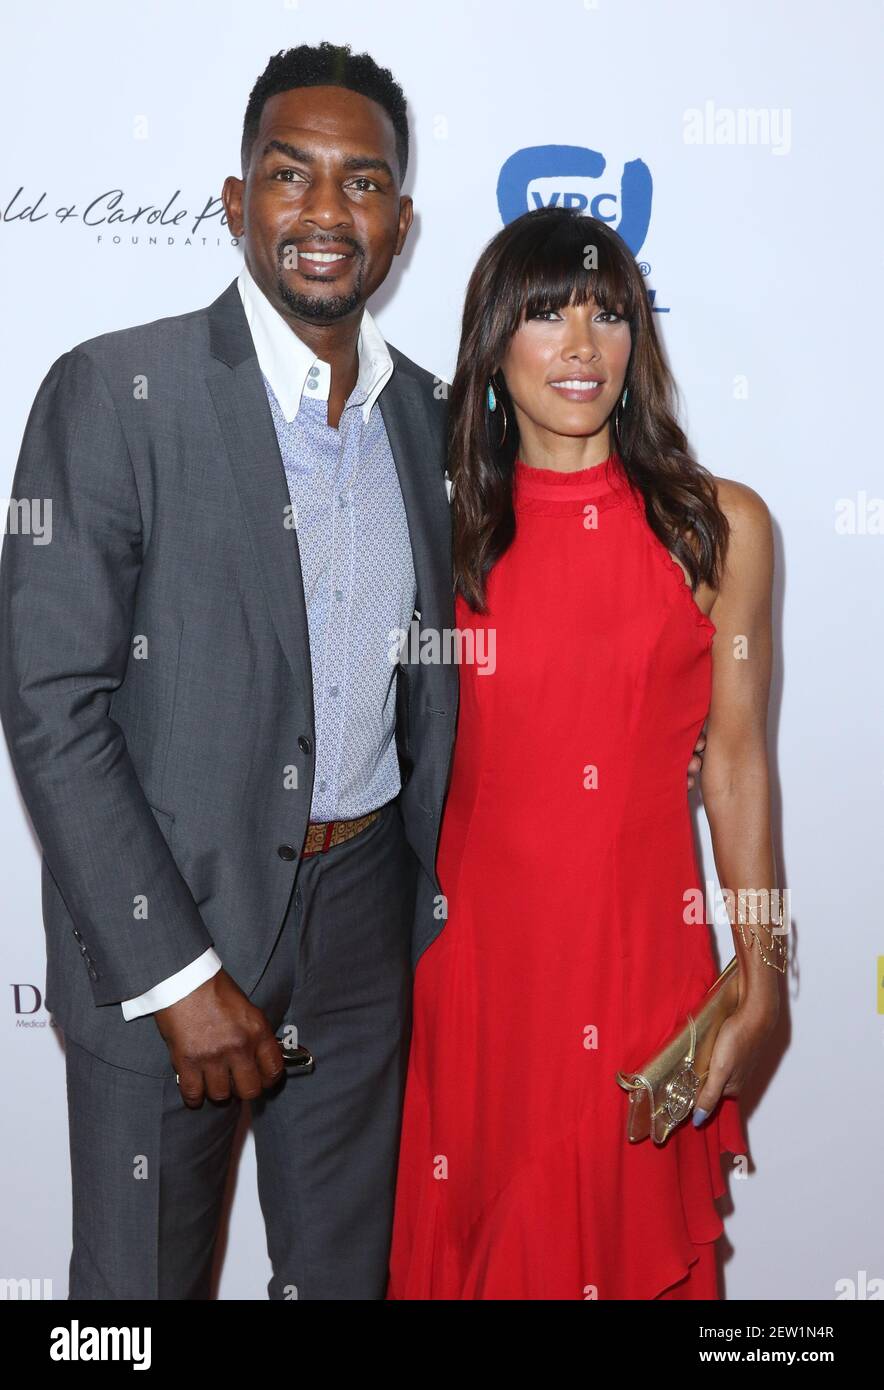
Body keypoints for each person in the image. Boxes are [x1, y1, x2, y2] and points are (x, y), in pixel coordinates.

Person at [0, 46, 706, 1300]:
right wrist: (176, 975)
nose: (326, 212)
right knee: (130, 1300)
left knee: (347, 1283)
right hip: (173, 934)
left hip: (371, 938)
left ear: (401, 223)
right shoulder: (114, 394)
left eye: (362, 183)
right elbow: (52, 711)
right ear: (235, 202)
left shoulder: (439, 427)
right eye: (292, 176)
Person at [387, 207, 783, 1300]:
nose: (578, 344)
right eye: (544, 314)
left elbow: (737, 766)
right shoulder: (441, 526)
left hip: (637, 968)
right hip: (472, 984)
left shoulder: (717, 528)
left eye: (606, 313)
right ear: (491, 345)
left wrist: (764, 971)